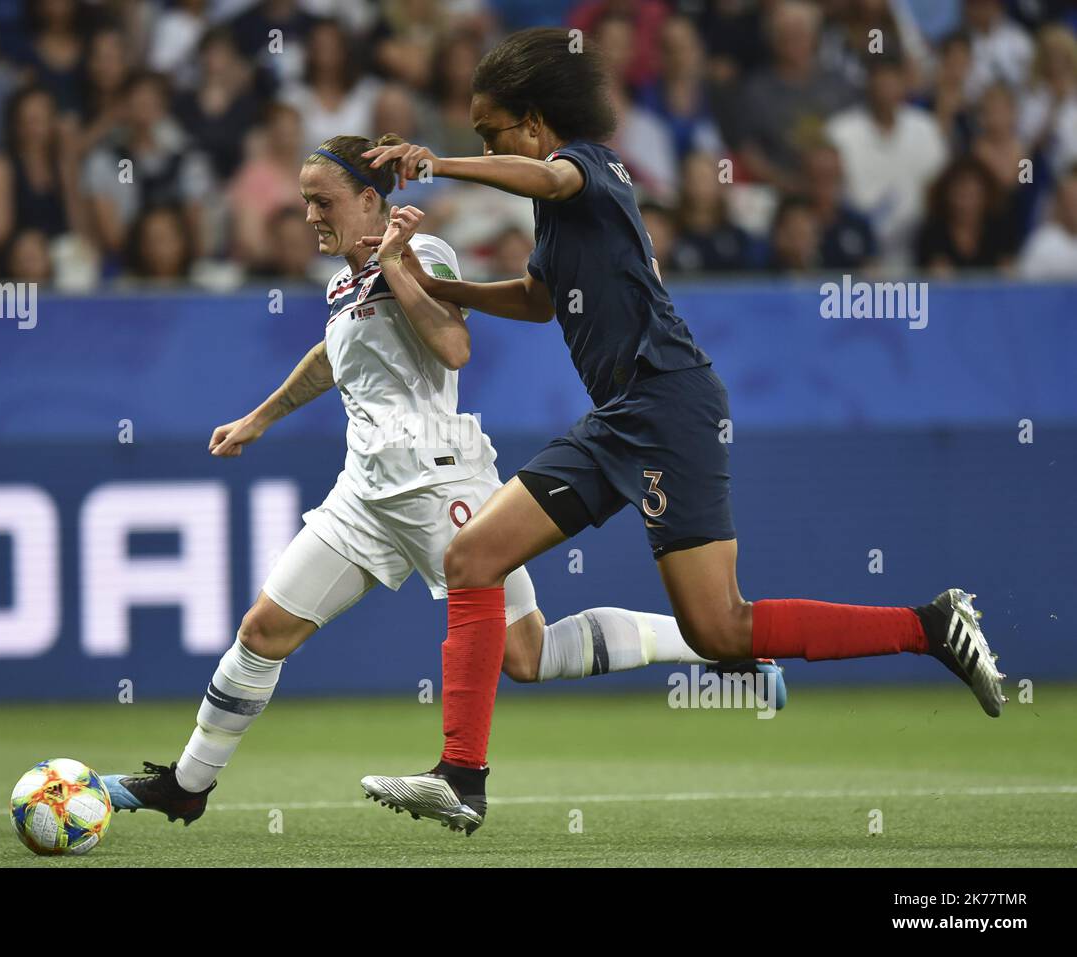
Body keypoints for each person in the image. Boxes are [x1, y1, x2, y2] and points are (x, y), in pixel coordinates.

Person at [355, 27, 1005, 835]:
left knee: (720, 627)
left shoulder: (589, 165)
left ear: (533, 120)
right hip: (621, 420)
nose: (484, 142)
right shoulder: (556, 209)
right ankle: (463, 777)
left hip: (668, 405)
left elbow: (549, 176)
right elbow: (537, 297)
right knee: (473, 557)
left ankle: (930, 626)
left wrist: (441, 162)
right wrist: (439, 288)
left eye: (490, 130)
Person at [99, 133, 776, 826]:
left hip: (438, 478)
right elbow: (334, 356)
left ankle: (711, 643)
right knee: (264, 629)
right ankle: (187, 783)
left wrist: (393, 261)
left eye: (322, 200)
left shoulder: (424, 254)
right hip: (362, 491)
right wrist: (259, 417)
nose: (309, 216)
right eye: (303, 202)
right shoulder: (341, 281)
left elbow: (454, 344)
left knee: (528, 652)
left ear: (370, 200)